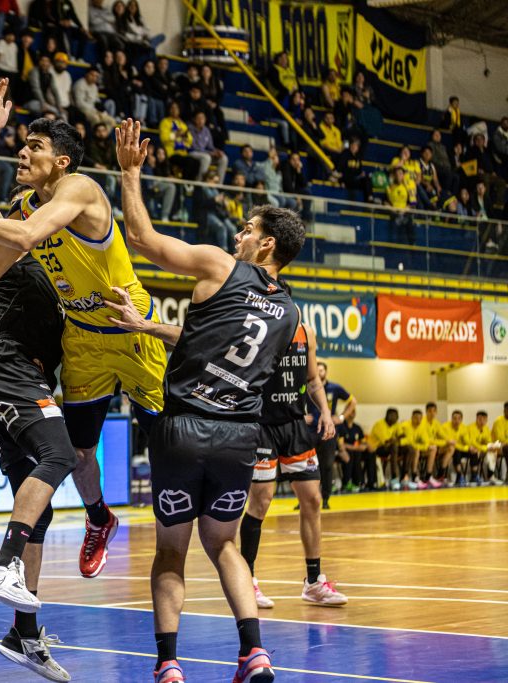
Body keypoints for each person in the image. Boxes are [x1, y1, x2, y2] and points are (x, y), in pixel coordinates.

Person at [0, 85, 168, 579]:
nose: (23, 153)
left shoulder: (81, 189)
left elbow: (19, 233)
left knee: (165, 446)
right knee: (80, 454)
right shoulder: (26, 207)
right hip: (83, 336)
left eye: (35, 147)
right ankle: (98, 518)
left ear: (62, 162)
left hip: (131, 325)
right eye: (23, 145)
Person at [109, 118, 303, 682]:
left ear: (266, 244)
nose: (238, 234)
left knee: (171, 551)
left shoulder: (223, 265)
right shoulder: (290, 313)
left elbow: (143, 240)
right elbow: (210, 343)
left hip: (185, 427)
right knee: (224, 546)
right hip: (240, 437)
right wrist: (147, 325)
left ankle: (169, 664)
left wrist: (130, 173)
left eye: (247, 229)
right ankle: (255, 653)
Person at [239, 306, 345, 611]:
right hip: (263, 425)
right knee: (261, 500)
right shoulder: (257, 327)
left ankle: (313, 582)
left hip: (295, 424)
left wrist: (325, 412)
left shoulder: (305, 332)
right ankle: (246, 580)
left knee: (312, 499)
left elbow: (313, 380)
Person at [308, 361, 356, 505]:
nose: (319, 372)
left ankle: (325, 498)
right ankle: (306, 498)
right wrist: (302, 417)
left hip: (328, 431)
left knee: (327, 465)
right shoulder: (307, 386)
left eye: (322, 370)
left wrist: (341, 417)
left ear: (326, 372)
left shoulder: (334, 388)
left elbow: (353, 401)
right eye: (317, 369)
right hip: (311, 431)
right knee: (308, 466)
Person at [336, 407, 367, 492]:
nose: (352, 413)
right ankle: (346, 482)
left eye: (354, 411)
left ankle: (359, 482)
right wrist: (354, 447)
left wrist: (363, 446)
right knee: (350, 453)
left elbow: (363, 442)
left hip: (354, 451)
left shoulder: (357, 427)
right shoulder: (341, 426)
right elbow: (341, 444)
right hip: (341, 451)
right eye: (350, 411)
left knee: (366, 454)